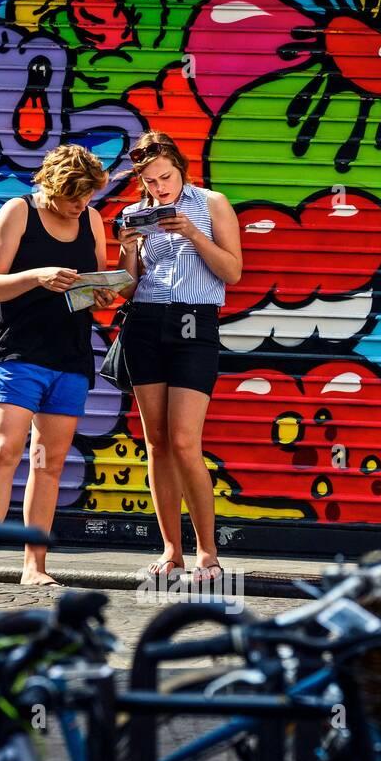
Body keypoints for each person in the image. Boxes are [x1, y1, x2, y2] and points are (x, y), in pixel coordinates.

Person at [0, 144, 116, 584]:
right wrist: (37, 276)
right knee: (3, 452)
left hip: (69, 353)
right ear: (53, 186)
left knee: (48, 462)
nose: (82, 205)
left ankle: (35, 566)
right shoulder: (17, 213)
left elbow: (94, 284)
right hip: (16, 349)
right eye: (75, 196)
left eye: (89, 197)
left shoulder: (90, 219)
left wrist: (104, 293)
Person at [116, 131, 242, 584]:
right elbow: (127, 288)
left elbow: (232, 271)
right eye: (150, 181)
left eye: (166, 177)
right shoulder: (134, 213)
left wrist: (192, 234)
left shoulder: (211, 203)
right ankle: (171, 550)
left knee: (186, 440)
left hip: (195, 322)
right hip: (145, 322)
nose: (160, 187)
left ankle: (207, 552)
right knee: (157, 444)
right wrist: (128, 250)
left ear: (181, 168)